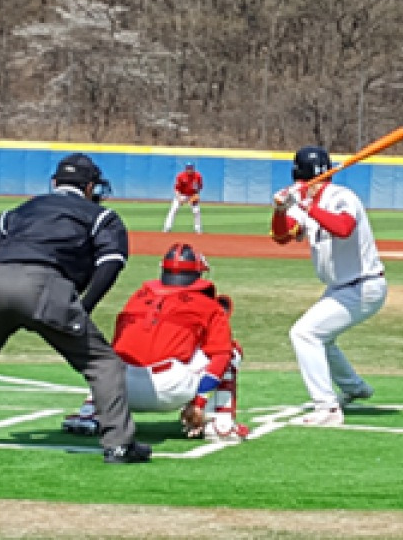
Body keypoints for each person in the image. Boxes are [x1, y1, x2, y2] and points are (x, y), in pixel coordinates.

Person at [0, 153, 152, 464]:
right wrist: (83, 305)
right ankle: (118, 445)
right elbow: (111, 263)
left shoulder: (19, 211)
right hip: (49, 286)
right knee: (102, 363)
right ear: (90, 187)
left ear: (56, 183)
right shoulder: (101, 216)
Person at [61, 242, 249, 441]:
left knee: (111, 359)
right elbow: (220, 355)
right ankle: (221, 423)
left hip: (120, 391)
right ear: (197, 275)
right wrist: (199, 402)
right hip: (170, 390)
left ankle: (91, 412)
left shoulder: (138, 297)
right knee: (229, 351)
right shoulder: (209, 305)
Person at [269, 146, 385, 427]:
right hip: (340, 287)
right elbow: (282, 236)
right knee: (322, 337)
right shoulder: (304, 201)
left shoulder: (343, 197)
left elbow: (343, 227)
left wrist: (307, 205)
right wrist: (281, 210)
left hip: (363, 286)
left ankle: (327, 408)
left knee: (304, 334)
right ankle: (354, 387)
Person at [163, 162, 204, 234]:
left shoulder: (198, 176)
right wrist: (179, 198)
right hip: (181, 195)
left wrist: (197, 195)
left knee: (196, 211)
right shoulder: (181, 176)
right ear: (186, 168)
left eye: (191, 168)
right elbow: (176, 189)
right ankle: (167, 228)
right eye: (188, 168)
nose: (189, 169)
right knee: (174, 209)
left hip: (192, 195)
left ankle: (198, 229)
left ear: (193, 168)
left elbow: (199, 187)